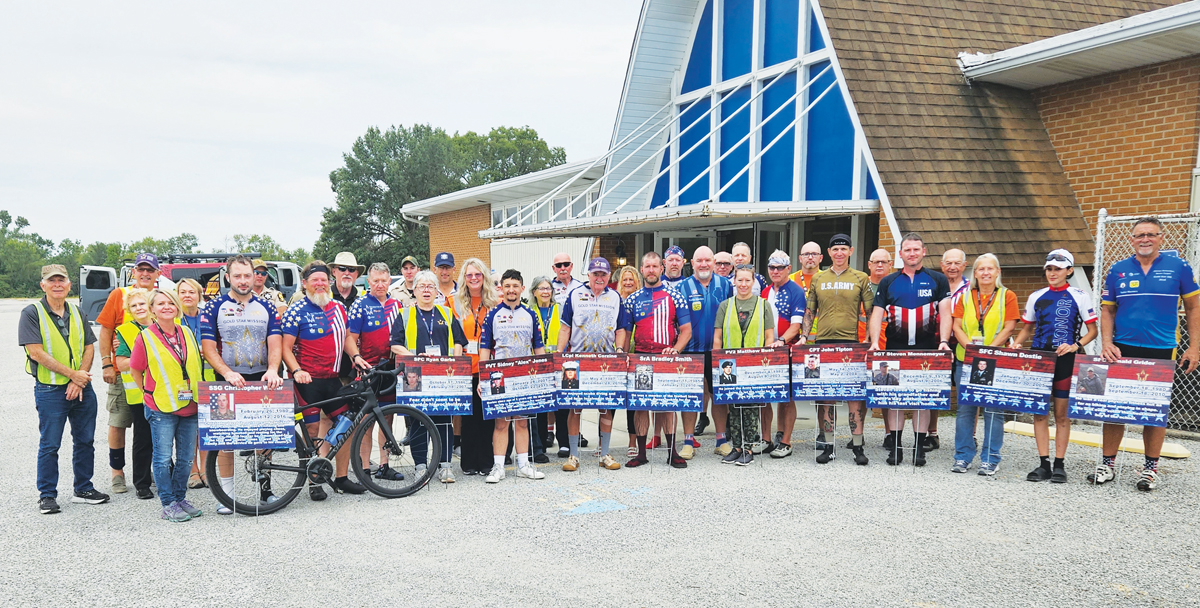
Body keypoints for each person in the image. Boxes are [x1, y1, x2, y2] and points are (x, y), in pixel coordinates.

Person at [1095, 218, 1200, 490]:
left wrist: (1195, 346)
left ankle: (1150, 469)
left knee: (1155, 412)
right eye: (1139, 235)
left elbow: (1193, 308)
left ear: (1160, 238)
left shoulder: (1179, 267)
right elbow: (1107, 310)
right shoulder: (1117, 269)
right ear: (1132, 239)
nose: (1145, 239)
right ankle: (1107, 464)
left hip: (1162, 348)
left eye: (1151, 235)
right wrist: (1106, 342)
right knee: (1115, 409)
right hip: (1122, 348)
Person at [21, 264, 110, 514]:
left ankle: (84, 488)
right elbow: (35, 352)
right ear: (43, 285)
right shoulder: (32, 313)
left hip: (81, 388)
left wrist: (78, 380)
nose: (57, 284)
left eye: (61, 280)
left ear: (70, 284)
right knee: (50, 444)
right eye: (52, 281)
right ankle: (47, 495)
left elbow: (89, 346)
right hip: (50, 390)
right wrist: (73, 375)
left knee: (86, 441)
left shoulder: (77, 311)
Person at [199, 255, 285, 510]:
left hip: (261, 379)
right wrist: (226, 373)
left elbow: (275, 342)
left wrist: (272, 369)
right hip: (226, 381)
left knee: (264, 436)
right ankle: (227, 495)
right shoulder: (213, 307)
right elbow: (208, 347)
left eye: (247, 275)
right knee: (225, 440)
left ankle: (265, 490)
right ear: (228, 277)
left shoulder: (267, 307)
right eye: (237, 276)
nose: (243, 280)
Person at [280, 261, 365, 497]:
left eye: (323, 280)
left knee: (347, 425)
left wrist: (355, 356)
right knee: (313, 429)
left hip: (332, 378)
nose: (320, 284)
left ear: (329, 283)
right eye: (314, 280)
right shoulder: (296, 310)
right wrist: (296, 370)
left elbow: (348, 338)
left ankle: (341, 477)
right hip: (306, 381)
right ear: (305, 284)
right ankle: (313, 482)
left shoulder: (338, 307)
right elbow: (285, 348)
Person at [869, 233, 952, 466]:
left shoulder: (938, 279)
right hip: (894, 349)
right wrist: (875, 341)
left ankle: (919, 449)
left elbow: (946, 313)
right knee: (894, 400)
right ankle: (896, 448)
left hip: (927, 350)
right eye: (908, 250)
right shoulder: (888, 281)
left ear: (923, 251)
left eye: (916, 249)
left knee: (921, 400)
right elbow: (876, 313)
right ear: (901, 254)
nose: (912, 253)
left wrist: (944, 341)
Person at [129, 289, 203, 522]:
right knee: (161, 458)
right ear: (152, 310)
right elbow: (136, 370)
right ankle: (168, 503)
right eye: (160, 303)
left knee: (185, 459)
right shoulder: (145, 337)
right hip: (161, 406)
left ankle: (180, 498)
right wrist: (148, 394)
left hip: (190, 404)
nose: (167, 306)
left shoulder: (187, 332)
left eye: (170, 302)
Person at [800, 233, 874, 465]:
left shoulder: (861, 278)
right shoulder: (819, 279)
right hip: (823, 344)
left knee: (854, 398)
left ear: (851, 251)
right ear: (829, 253)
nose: (839, 253)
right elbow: (810, 311)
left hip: (851, 345)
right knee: (826, 398)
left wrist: (872, 340)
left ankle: (858, 447)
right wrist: (804, 337)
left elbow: (871, 312)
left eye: (844, 249)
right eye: (835, 249)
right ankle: (829, 446)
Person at [390, 270, 467, 483]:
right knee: (417, 421)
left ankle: (445, 466)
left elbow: (459, 342)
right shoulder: (404, 314)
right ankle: (421, 466)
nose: (426, 290)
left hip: (443, 375)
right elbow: (395, 345)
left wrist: (455, 364)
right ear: (414, 290)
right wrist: (415, 357)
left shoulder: (447, 313)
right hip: (415, 375)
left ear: (436, 291)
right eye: (421, 286)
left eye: (430, 286)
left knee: (444, 421)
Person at [95, 252, 158, 498]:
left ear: (157, 274)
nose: (144, 274)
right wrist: (106, 364)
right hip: (125, 375)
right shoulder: (119, 295)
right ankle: (117, 471)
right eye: (140, 269)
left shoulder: (160, 297)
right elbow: (105, 331)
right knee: (119, 422)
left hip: (155, 379)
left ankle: (150, 470)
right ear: (133, 272)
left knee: (151, 428)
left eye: (149, 270)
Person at [559, 257, 631, 471]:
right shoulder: (575, 295)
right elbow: (565, 328)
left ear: (609, 276)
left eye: (603, 274)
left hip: (606, 361)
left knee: (605, 407)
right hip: (577, 360)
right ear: (588, 275)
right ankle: (573, 455)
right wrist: (559, 354)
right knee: (575, 408)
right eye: (595, 274)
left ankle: (605, 453)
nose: (599, 278)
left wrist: (619, 350)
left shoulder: (615, 297)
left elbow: (621, 329)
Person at [950, 253, 1018, 476]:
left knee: (993, 410)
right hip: (967, 359)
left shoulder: (1008, 296)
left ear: (998, 272)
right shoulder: (965, 296)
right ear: (975, 273)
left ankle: (990, 459)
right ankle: (963, 456)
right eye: (981, 269)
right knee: (965, 410)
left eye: (990, 269)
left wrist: (988, 351)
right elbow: (957, 326)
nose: (986, 273)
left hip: (994, 360)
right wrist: (971, 349)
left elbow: (1009, 327)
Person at [479, 269, 548, 484]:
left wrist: (544, 375)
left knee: (522, 422)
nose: (511, 290)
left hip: (524, 376)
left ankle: (523, 465)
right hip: (499, 376)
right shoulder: (492, 314)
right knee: (501, 422)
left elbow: (538, 347)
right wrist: (483, 379)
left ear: (521, 288)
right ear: (501, 288)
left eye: (515, 286)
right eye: (507, 286)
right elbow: (484, 348)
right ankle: (498, 467)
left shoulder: (530, 314)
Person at [624, 252, 692, 468]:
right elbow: (626, 332)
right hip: (642, 359)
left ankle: (672, 453)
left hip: (666, 359)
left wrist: (676, 350)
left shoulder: (675, 295)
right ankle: (641, 453)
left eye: (655, 266)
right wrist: (625, 356)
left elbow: (687, 330)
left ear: (661, 269)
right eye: (647, 266)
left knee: (668, 404)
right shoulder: (632, 299)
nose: (651, 270)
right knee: (641, 406)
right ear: (641, 270)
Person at [712, 264, 778, 465]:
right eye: (739, 280)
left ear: (753, 282)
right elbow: (718, 338)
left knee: (750, 407)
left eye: (747, 280)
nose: (743, 284)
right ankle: (737, 446)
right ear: (734, 282)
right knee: (733, 406)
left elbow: (768, 337)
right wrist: (716, 363)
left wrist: (764, 363)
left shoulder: (763, 304)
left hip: (753, 364)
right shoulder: (725, 305)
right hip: (729, 364)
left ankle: (749, 448)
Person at [344, 263, 404, 481]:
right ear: (368, 282)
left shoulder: (397, 304)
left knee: (387, 418)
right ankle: (365, 469)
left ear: (390, 281)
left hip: (390, 369)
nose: (380, 285)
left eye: (384, 281)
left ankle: (384, 465)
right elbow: (350, 338)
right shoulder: (360, 304)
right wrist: (357, 360)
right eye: (375, 281)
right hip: (367, 370)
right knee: (365, 421)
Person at [677, 246, 732, 456]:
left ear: (713, 262)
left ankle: (721, 441)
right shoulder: (683, 286)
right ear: (692, 263)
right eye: (699, 260)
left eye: (708, 260)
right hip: (691, 351)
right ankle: (688, 442)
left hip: (719, 352)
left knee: (719, 395)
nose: (703, 264)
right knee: (692, 396)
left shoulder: (725, 284)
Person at [755, 250, 806, 456]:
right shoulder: (765, 291)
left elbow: (796, 325)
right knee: (765, 396)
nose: (775, 271)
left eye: (780, 267)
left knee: (787, 398)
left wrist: (781, 341)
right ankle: (766, 439)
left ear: (789, 269)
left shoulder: (796, 291)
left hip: (788, 349)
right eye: (771, 267)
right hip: (767, 351)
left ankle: (786, 441)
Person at [454, 257, 500, 476]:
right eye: (469, 275)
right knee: (469, 418)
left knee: (486, 418)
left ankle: (486, 461)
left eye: (478, 274)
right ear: (464, 278)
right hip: (466, 367)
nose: (474, 278)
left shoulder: (494, 302)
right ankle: (469, 462)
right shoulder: (454, 303)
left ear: (484, 277)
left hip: (488, 367)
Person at [111, 287, 158, 499]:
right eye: (133, 305)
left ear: (150, 305)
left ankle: (166, 474)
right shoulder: (125, 331)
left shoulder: (167, 324)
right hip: (139, 395)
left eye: (142, 303)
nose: (138, 308)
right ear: (129, 310)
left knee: (165, 438)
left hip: (166, 392)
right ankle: (142, 483)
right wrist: (145, 362)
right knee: (143, 439)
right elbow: (120, 363)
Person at [176, 278, 214, 490]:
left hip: (208, 381)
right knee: (188, 428)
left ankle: (207, 470)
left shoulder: (208, 318)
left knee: (205, 429)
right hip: (184, 384)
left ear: (200, 295)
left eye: (192, 291)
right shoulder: (172, 320)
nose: (187, 295)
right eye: (182, 292)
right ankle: (192, 471)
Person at [931, 248, 969, 450]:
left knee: (967, 392)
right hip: (936, 343)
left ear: (964, 265)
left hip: (963, 344)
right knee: (935, 389)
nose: (952, 267)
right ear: (941, 265)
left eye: (957, 263)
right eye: (948, 263)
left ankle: (970, 436)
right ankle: (932, 434)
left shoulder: (972, 289)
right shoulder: (933, 285)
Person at [528, 276, 559, 463]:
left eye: (548, 288)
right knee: (537, 408)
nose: (546, 292)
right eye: (541, 288)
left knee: (558, 406)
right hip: (534, 364)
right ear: (534, 292)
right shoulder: (527, 311)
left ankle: (563, 443)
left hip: (556, 362)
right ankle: (537, 448)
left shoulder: (559, 309)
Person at [612, 265, 642, 456]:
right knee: (610, 402)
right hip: (616, 355)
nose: (628, 283)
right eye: (625, 280)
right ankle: (602, 442)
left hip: (635, 354)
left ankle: (633, 442)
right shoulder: (613, 301)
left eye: (632, 279)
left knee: (633, 403)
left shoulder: (640, 301)